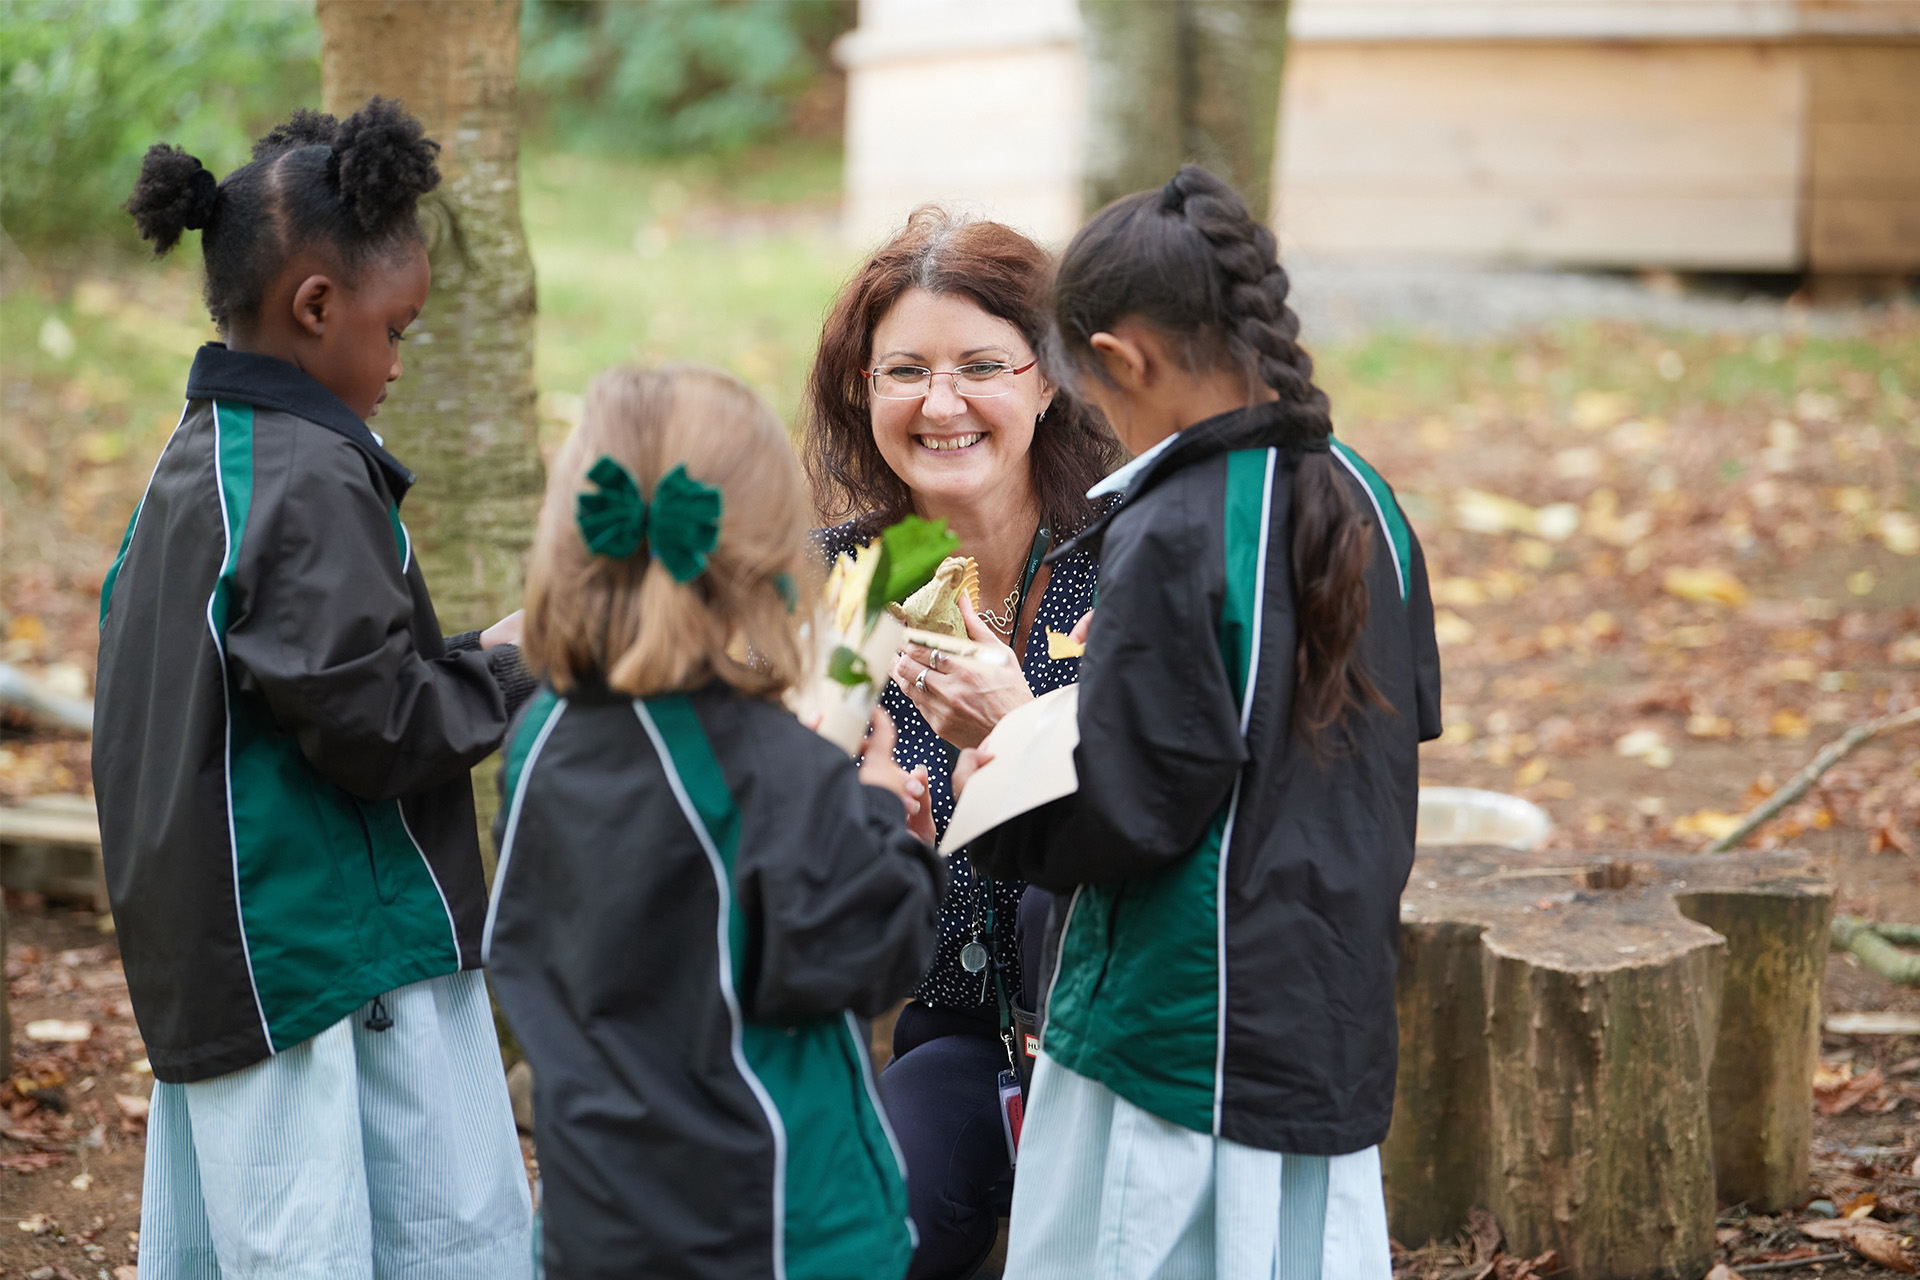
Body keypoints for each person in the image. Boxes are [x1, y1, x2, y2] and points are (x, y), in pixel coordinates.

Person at [960, 165, 1443, 1279]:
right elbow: (1357, 732)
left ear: (1123, 357)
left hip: (1176, 1036)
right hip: (1324, 1008)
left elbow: (1131, 808)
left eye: (1095, 389)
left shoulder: (1176, 522)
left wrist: (999, 778)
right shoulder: (1367, 495)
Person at [94, 100, 536, 1279]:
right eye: (398, 330)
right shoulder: (306, 475)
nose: (397, 361)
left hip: (230, 945)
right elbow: (376, 724)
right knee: (362, 1233)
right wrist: (510, 662)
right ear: (317, 307)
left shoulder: (204, 455)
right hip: (322, 956)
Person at [483, 364, 944, 1280]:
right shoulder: (775, 767)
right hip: (776, 1226)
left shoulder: (540, 731)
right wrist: (885, 814)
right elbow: (870, 957)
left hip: (600, 1219)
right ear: (768, 553)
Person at [803, 209, 1124, 1278]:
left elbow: (1165, 800)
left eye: (982, 365)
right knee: (884, 1228)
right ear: (865, 386)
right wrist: (862, 821)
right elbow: (783, 839)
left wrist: (1025, 720)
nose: (942, 404)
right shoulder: (854, 584)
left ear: (1048, 379)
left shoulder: (1131, 563)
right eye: (906, 370)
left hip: (1122, 1039)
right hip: (947, 1024)